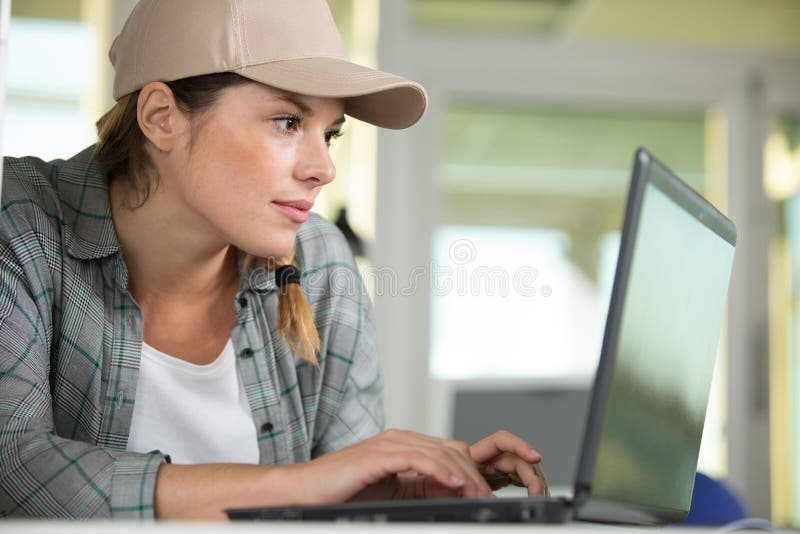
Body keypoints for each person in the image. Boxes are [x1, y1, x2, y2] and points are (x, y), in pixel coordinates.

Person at [0, 0, 547, 520]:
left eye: (330, 133)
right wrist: (303, 485)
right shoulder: (20, 225)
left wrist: (401, 489)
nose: (324, 168)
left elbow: (341, 486)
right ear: (162, 117)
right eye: (288, 121)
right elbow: (14, 467)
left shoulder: (322, 262)